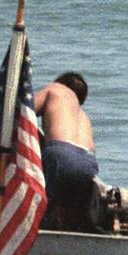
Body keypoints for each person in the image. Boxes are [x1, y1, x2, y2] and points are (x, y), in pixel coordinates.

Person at [34, 73, 98, 222]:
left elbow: (26, 110)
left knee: (39, 208)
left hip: (62, 154)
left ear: (60, 83)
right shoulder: (83, 115)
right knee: (69, 214)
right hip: (88, 163)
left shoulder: (56, 89)